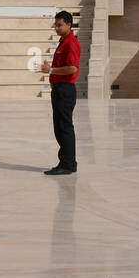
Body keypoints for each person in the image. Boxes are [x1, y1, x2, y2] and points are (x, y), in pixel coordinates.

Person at [40, 10, 80, 175]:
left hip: (65, 90)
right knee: (60, 126)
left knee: (64, 127)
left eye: (59, 25)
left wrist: (51, 70)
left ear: (69, 25)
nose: (56, 28)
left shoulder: (71, 43)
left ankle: (67, 164)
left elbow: (72, 69)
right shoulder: (63, 42)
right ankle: (68, 162)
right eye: (55, 25)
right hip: (59, 89)